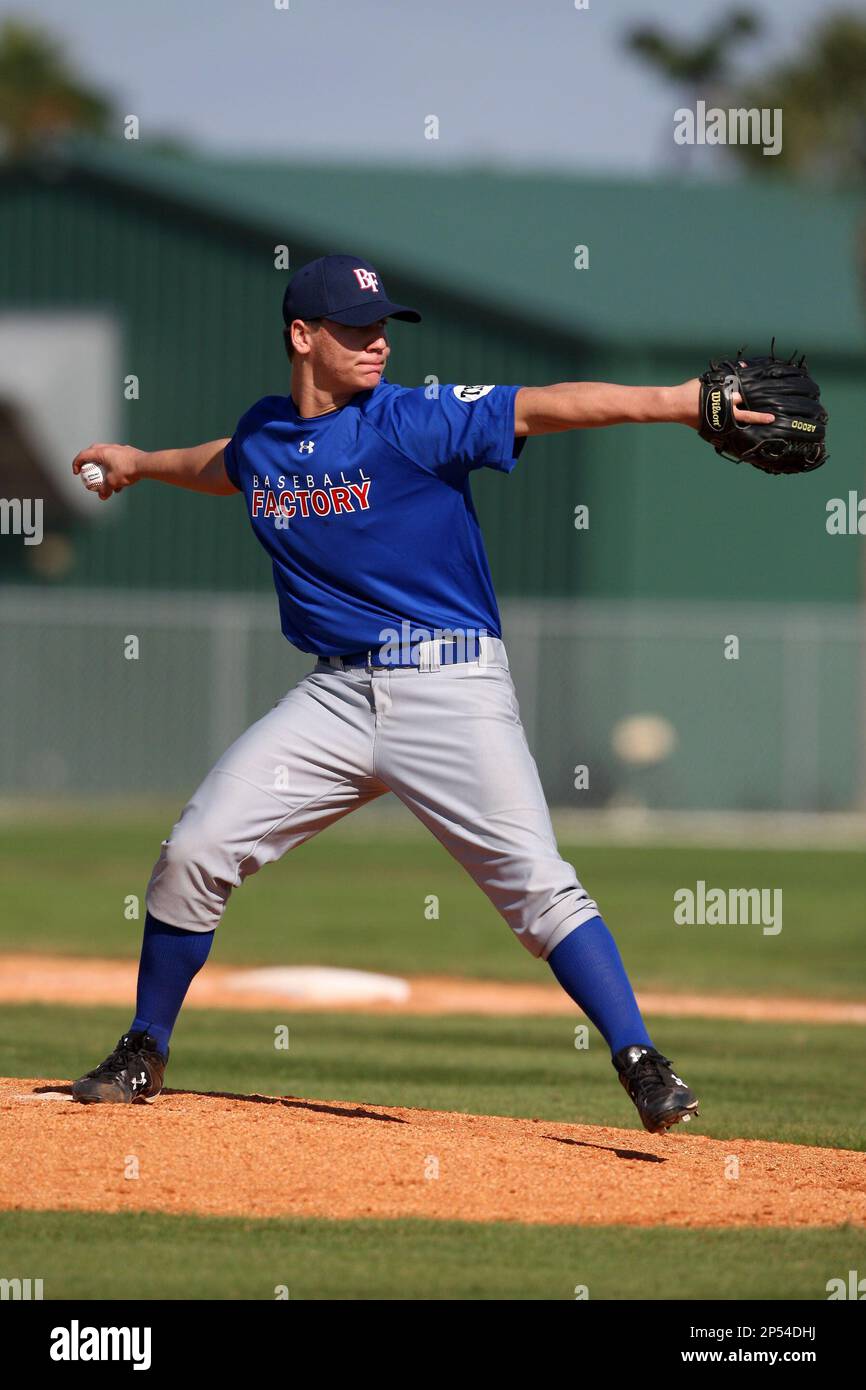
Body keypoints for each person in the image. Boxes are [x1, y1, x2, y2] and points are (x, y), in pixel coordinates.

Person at [69, 254, 773, 1132]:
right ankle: (144, 1047)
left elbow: (542, 405)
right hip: (332, 700)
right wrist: (139, 461)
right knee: (193, 851)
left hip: (451, 687)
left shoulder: (412, 419)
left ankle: (639, 1059)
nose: (377, 344)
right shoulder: (264, 437)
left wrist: (677, 400)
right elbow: (228, 463)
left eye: (383, 328)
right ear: (302, 336)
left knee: (538, 889)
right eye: (356, 329)